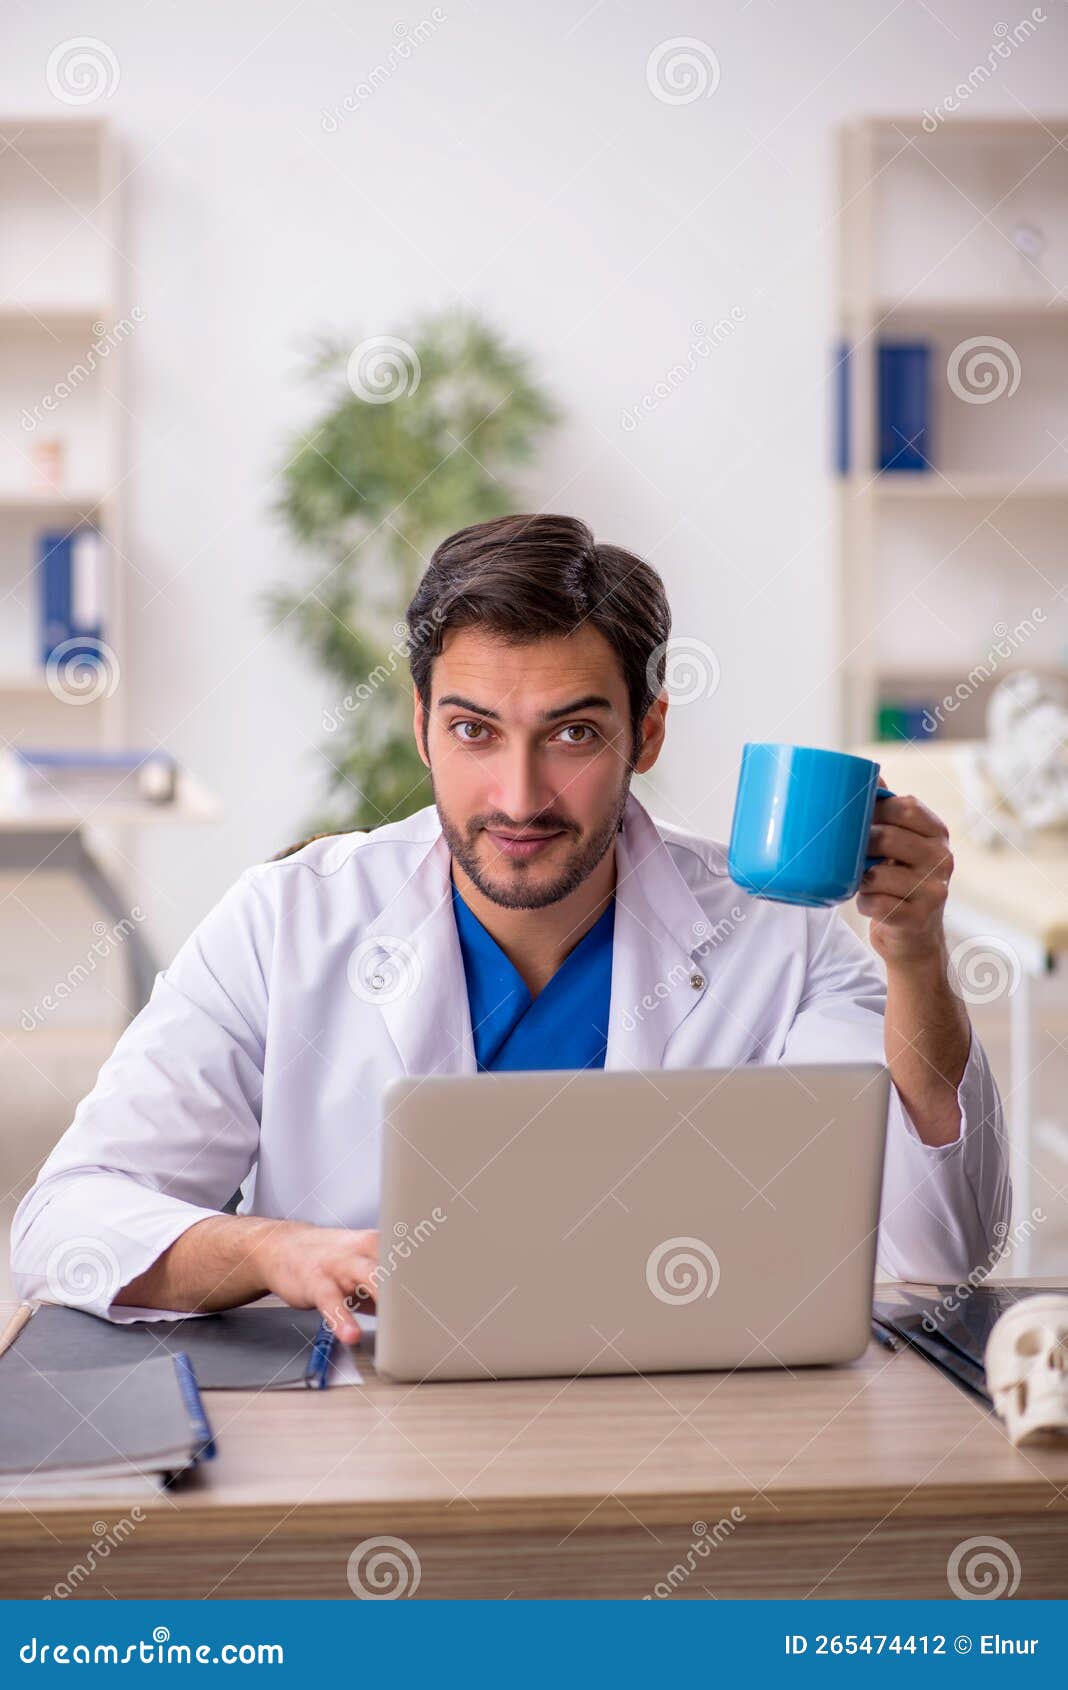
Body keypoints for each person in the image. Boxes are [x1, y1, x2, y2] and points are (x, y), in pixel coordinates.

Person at [10, 514, 1009, 1343]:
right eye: (473, 730)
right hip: (358, 1436)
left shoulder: (775, 938)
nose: (518, 795)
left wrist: (915, 953)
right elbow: (65, 1221)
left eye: (572, 733)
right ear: (420, 726)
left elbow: (933, 1258)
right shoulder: (287, 921)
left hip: (682, 1437)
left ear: (646, 732)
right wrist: (273, 1249)